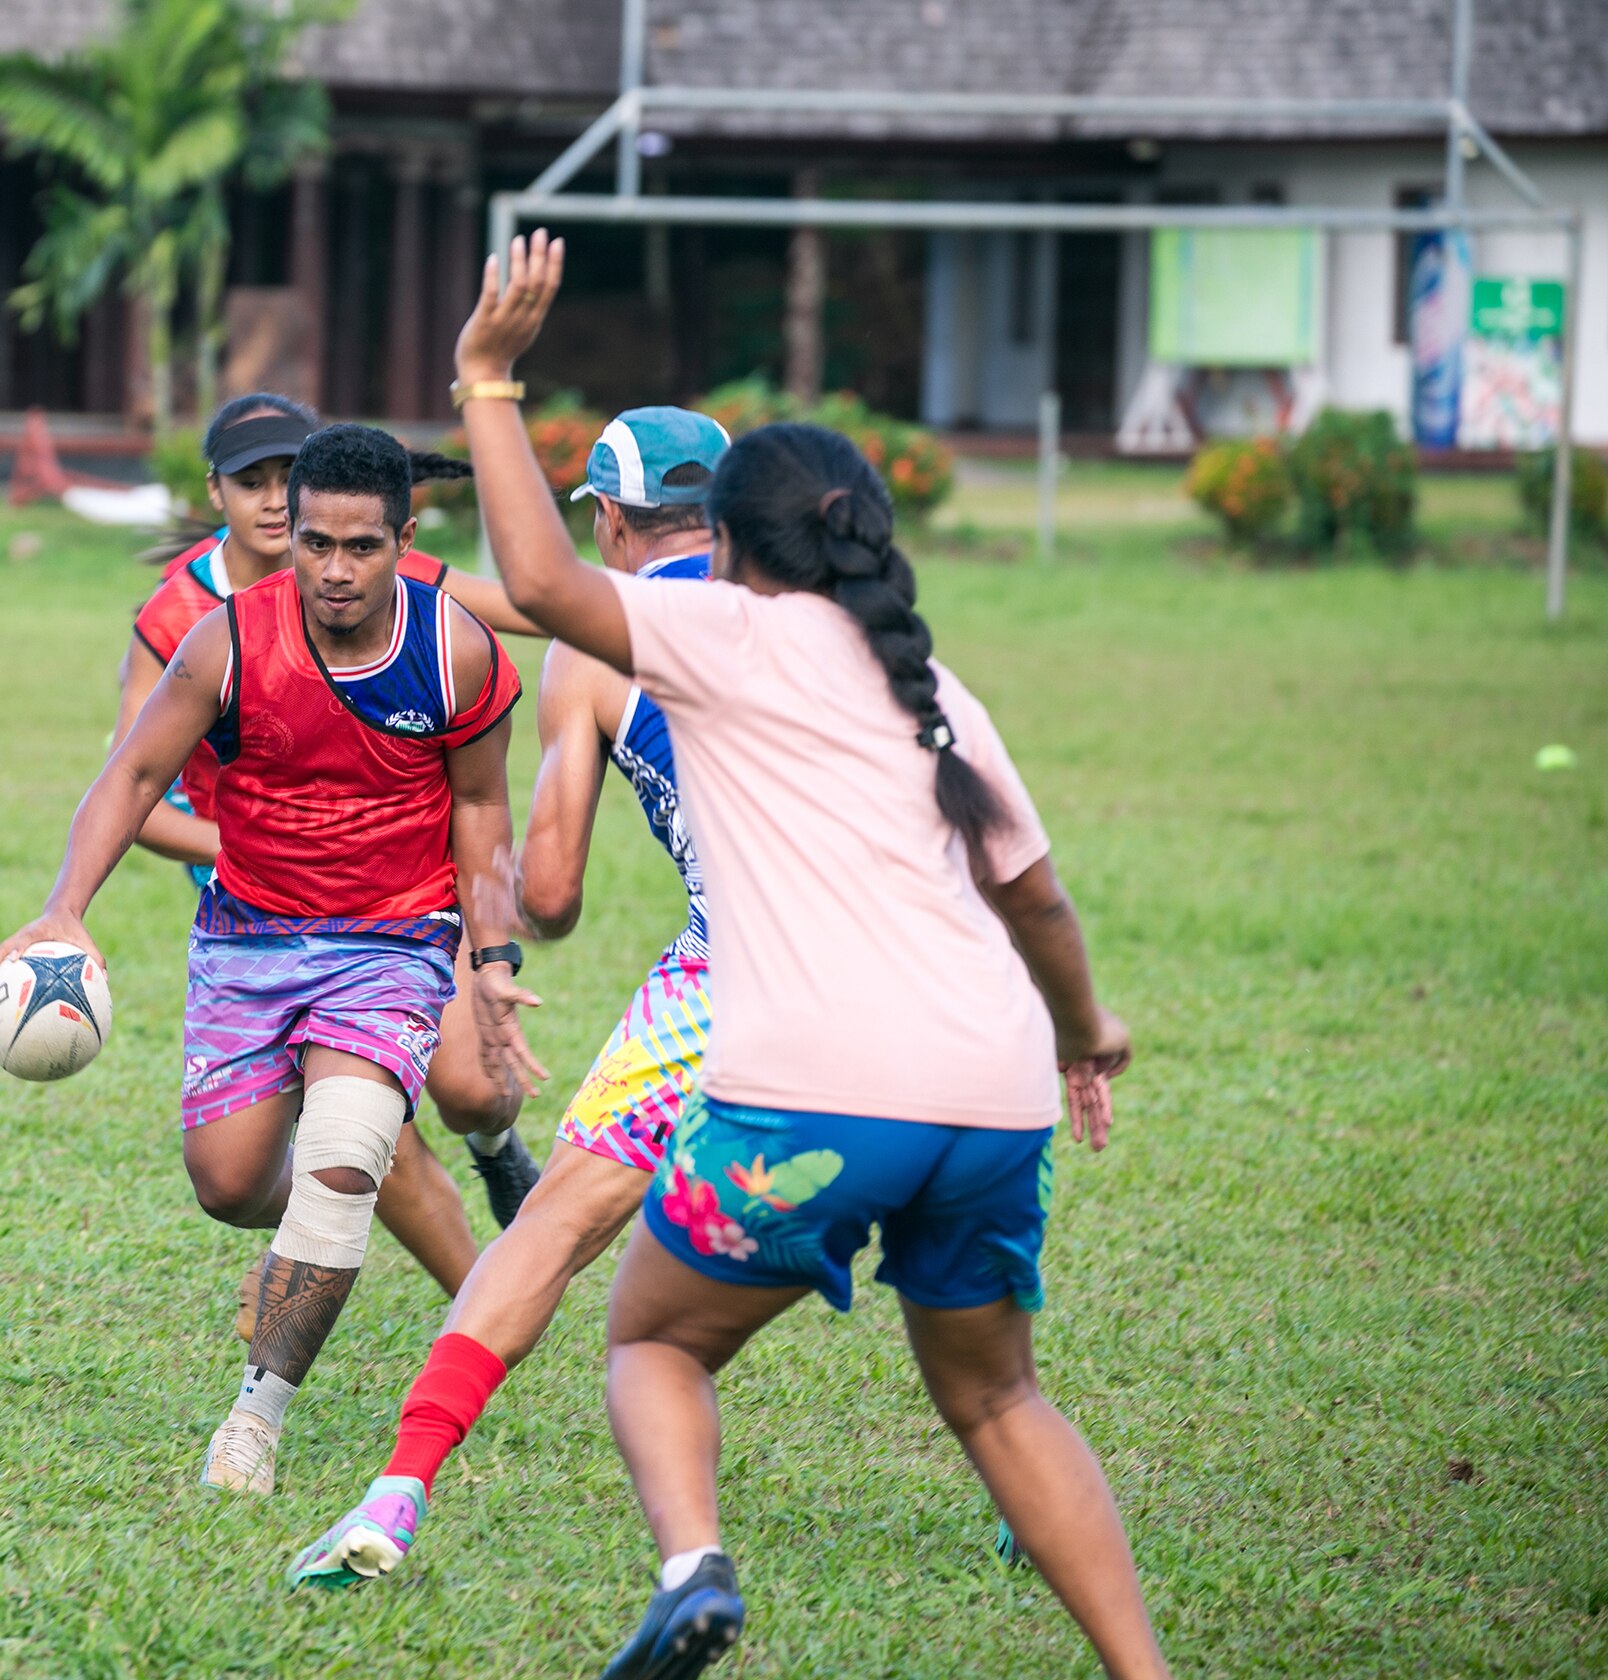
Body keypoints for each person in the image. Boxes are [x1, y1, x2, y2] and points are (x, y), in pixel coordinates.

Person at [446, 232, 1168, 1680]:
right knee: (1001, 1403)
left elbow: (533, 573)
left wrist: (487, 379)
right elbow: (1037, 901)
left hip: (822, 1095)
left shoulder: (721, 638)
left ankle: (694, 1569)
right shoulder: (934, 684)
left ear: (740, 549)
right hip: (996, 1093)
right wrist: (1086, 1032)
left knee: (654, 1344)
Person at [0, 423, 543, 1498]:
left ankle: (255, 1419)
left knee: (341, 1156)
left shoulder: (456, 647)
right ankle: (317, 1228)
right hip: (247, 942)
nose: (337, 570)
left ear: (405, 540)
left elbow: (479, 803)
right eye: (318, 545)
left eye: (364, 548)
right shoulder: (224, 642)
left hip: (394, 940)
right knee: (231, 1182)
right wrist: (64, 911)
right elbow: (133, 775)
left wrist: (492, 954)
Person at [287, 404, 733, 1589]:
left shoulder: (591, 653)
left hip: (728, 971)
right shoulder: (820, 619)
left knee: (554, 1228)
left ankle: (397, 1493)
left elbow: (551, 891)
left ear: (611, 524)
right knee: (936, 1215)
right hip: (898, 970)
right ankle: (1016, 1474)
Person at [117, 396, 545, 1252]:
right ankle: (480, 1311)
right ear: (217, 492)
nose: (275, 500)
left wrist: (649, 622)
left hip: (403, 903)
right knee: (344, 1151)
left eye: (289, 477)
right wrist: (271, 845)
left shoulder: (373, 575)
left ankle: (493, 1150)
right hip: (261, 919)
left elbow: (534, 606)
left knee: (466, 1090)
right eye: (253, 481)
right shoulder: (181, 621)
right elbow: (134, 795)